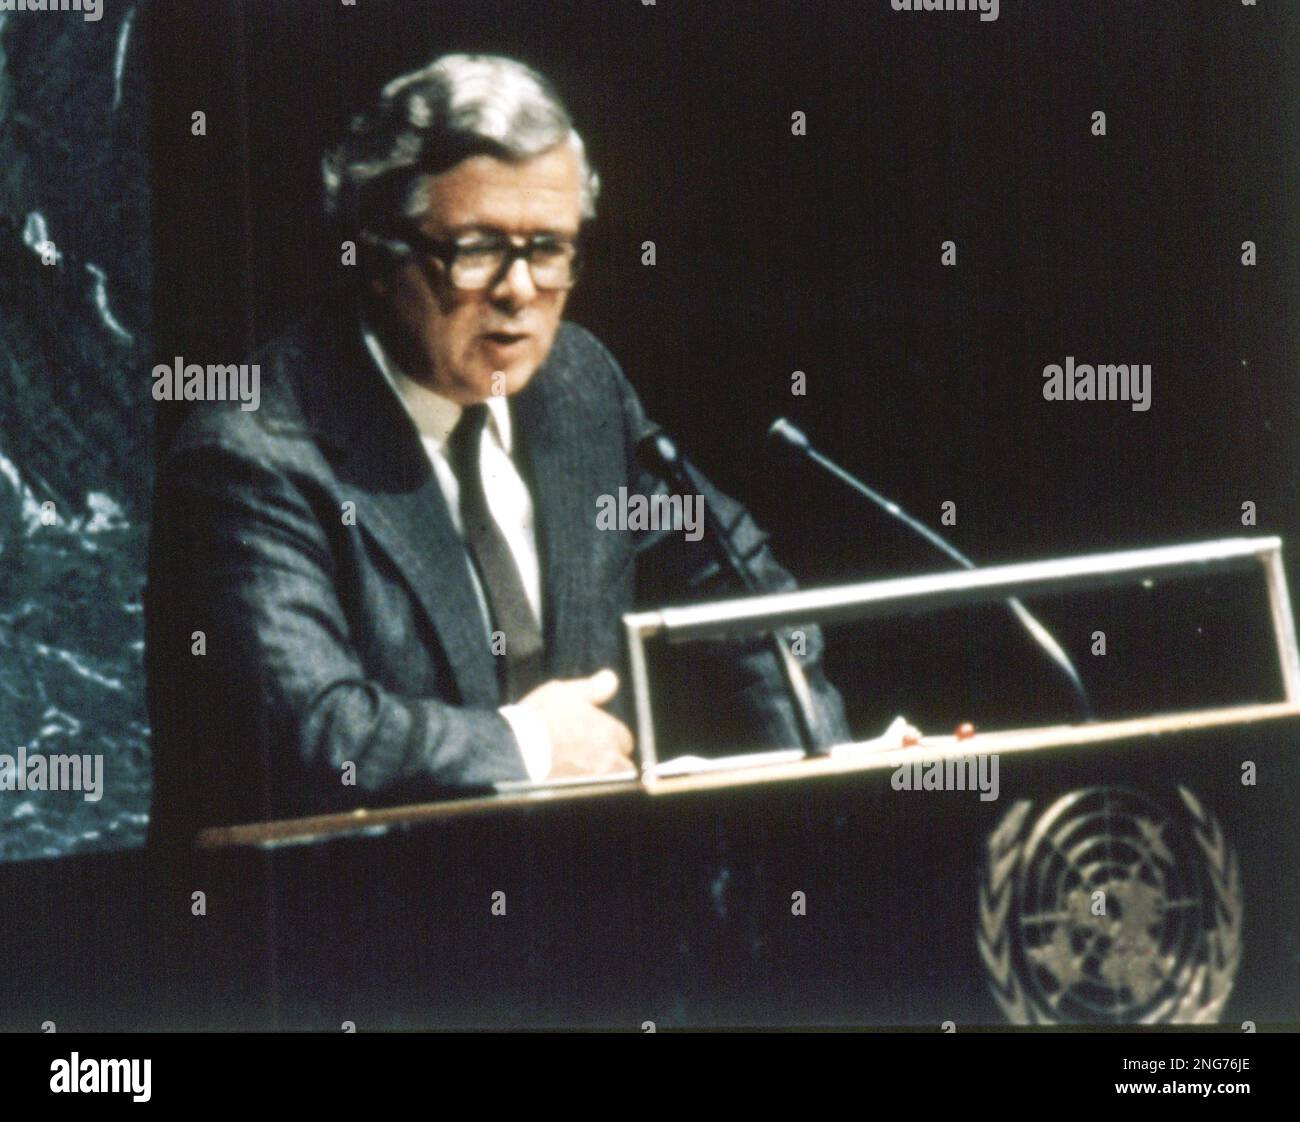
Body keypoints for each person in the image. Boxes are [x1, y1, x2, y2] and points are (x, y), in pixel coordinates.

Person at [144, 53, 847, 850]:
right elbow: (316, 735)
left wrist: (818, 764)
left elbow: (738, 583)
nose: (519, 291)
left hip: (575, 918)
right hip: (341, 939)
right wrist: (531, 747)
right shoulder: (252, 454)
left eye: (549, 249)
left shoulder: (580, 385)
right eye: (477, 249)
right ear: (379, 254)